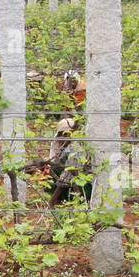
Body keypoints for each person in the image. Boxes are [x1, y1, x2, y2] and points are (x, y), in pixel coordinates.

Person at [42, 72, 90, 206]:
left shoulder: (75, 148)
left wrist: (51, 202)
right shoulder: (58, 141)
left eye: (66, 134)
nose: (63, 137)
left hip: (83, 183)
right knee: (50, 170)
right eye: (61, 134)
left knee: (62, 176)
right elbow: (53, 158)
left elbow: (67, 176)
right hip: (69, 176)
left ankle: (74, 201)